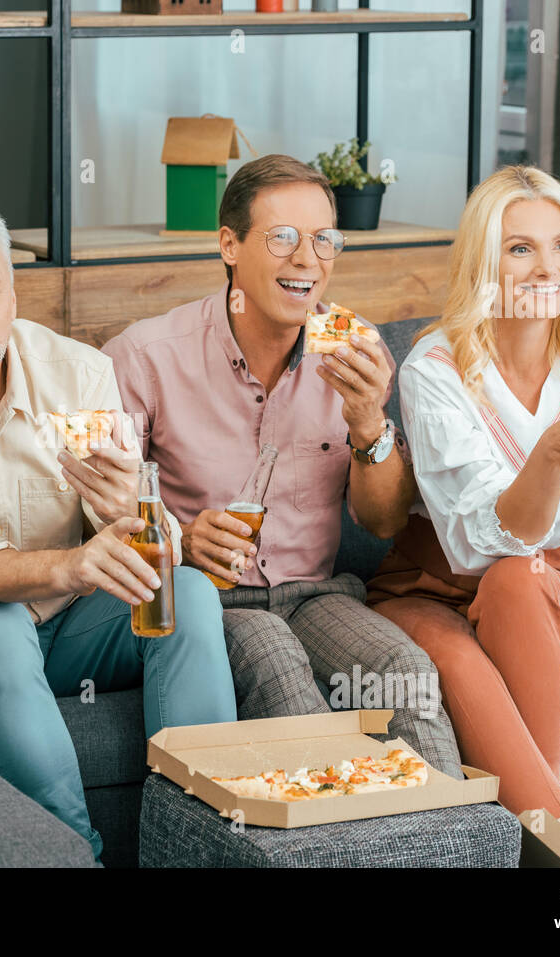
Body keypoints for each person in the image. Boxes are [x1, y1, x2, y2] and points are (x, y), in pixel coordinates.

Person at [0, 198, 237, 861]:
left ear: (12, 294)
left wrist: (126, 515)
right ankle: (72, 855)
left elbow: (136, 533)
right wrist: (66, 565)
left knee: (185, 591)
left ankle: (200, 849)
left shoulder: (78, 372)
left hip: (74, 628)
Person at [102, 154, 462, 776]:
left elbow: (380, 523)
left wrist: (369, 422)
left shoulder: (358, 352)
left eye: (324, 239)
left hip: (317, 596)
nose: (308, 259)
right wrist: (182, 541)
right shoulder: (145, 358)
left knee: (405, 676)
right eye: (284, 238)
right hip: (212, 601)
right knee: (278, 670)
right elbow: (95, 518)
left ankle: (448, 847)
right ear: (229, 244)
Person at [366, 165, 560, 848]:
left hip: (554, 582)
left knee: (519, 577)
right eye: (520, 248)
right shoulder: (435, 371)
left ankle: (556, 861)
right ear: (486, 264)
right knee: (495, 592)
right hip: (430, 586)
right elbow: (481, 543)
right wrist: (552, 453)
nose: (549, 267)